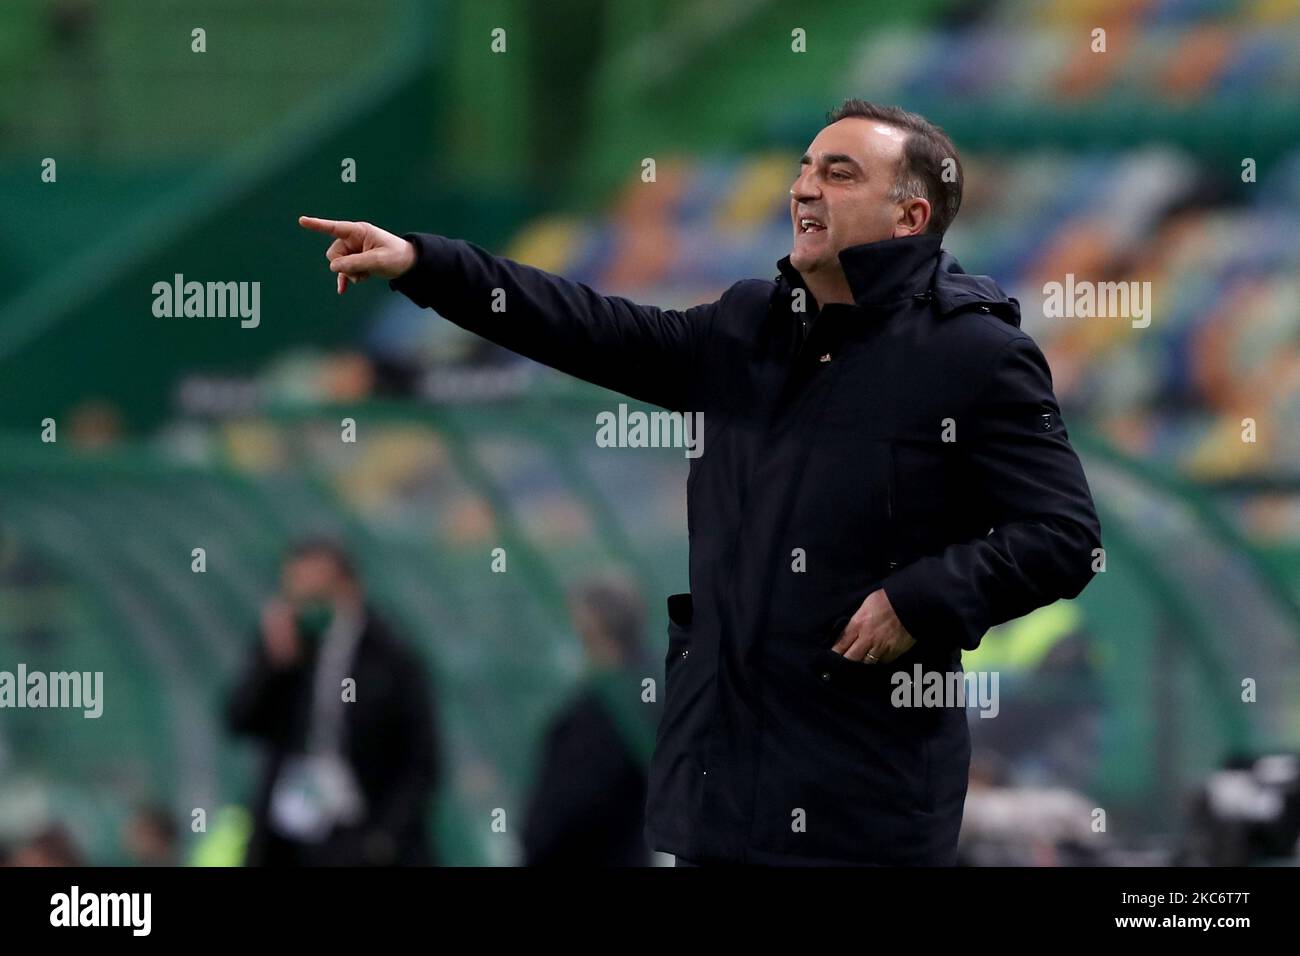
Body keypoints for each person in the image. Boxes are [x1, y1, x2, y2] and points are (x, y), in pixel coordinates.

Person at [299, 98, 1103, 866]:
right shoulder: (747, 326)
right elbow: (586, 325)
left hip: (865, 805)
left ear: (911, 217)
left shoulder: (973, 356)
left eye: (841, 172)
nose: (804, 187)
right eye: (804, 168)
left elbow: (1064, 538)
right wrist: (424, 264)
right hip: (719, 794)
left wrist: (915, 601)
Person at [226, 538, 441, 865]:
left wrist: (384, 837)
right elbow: (240, 721)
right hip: (293, 836)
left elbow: (420, 759)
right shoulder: (289, 650)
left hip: (362, 834)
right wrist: (274, 666)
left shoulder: (391, 658)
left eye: (320, 591)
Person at [521, 573, 660, 866]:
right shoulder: (646, 690)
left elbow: (571, 804)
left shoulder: (608, 709)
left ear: (594, 627)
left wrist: (538, 838)